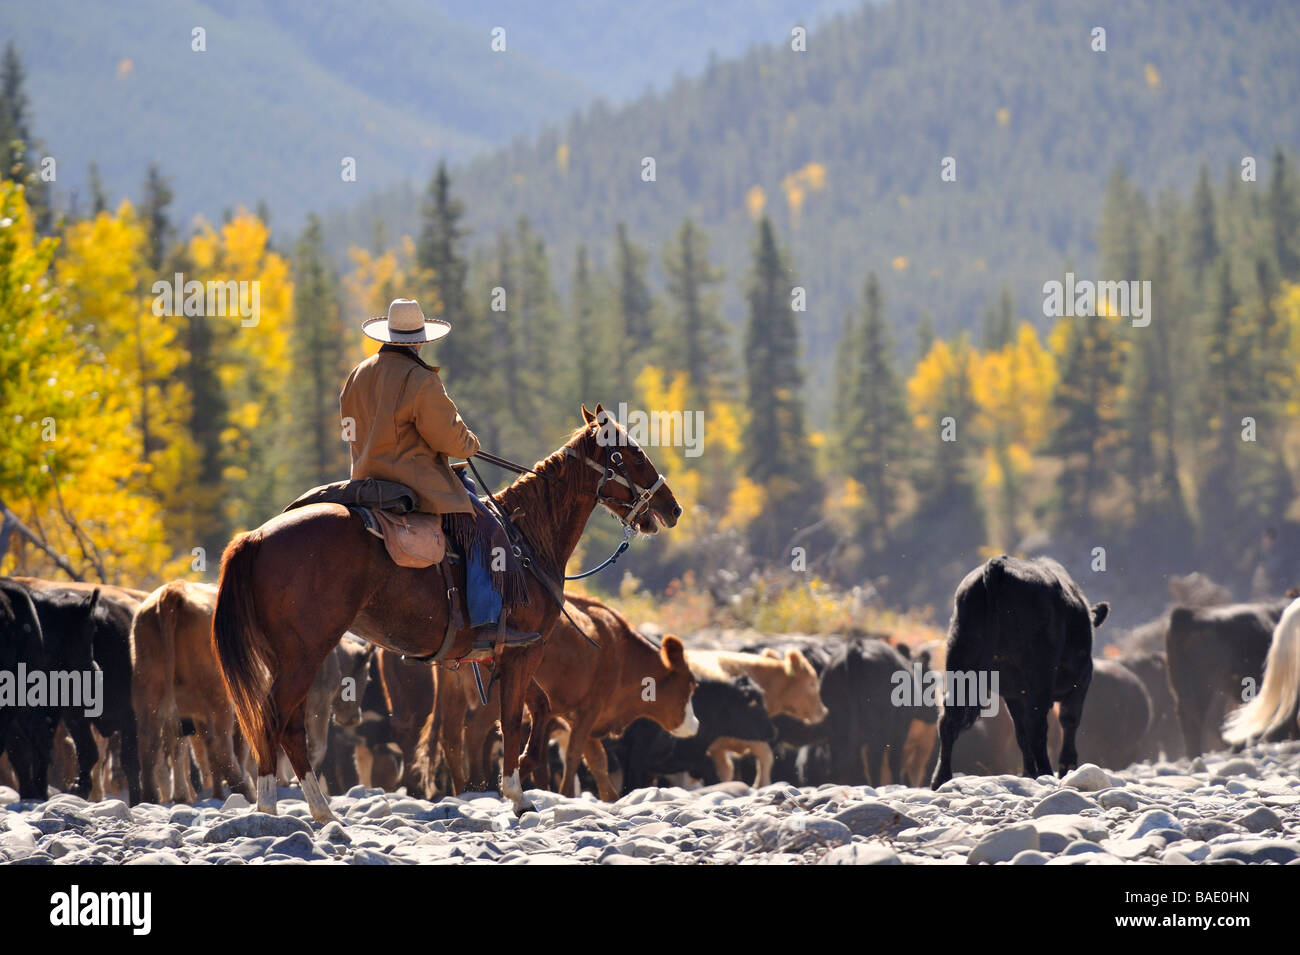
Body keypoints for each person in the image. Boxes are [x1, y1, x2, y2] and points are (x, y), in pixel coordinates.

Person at [340, 298, 539, 649]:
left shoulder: (357, 375)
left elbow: (352, 432)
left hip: (364, 484)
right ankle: (485, 624)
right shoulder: (419, 380)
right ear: (419, 342)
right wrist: (470, 443)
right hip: (414, 488)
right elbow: (453, 442)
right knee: (487, 530)